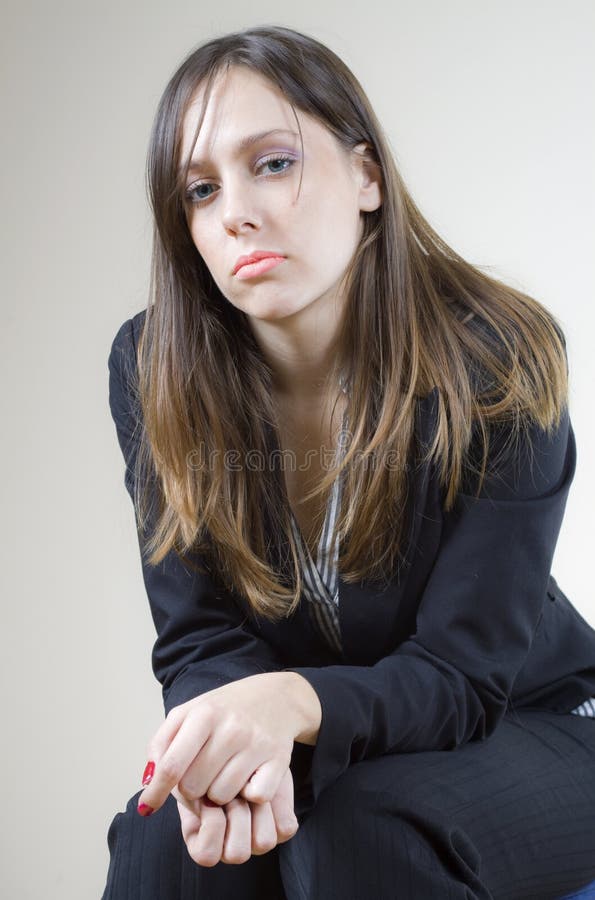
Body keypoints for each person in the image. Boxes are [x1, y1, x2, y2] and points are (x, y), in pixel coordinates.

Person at [101, 24, 595, 900]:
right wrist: (225, 742)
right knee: (167, 843)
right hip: (344, 735)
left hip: (537, 719)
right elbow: (199, 636)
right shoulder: (154, 369)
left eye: (273, 164)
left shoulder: (496, 360)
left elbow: (461, 675)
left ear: (366, 176)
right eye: (201, 190)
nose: (235, 212)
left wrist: (290, 704)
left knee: (361, 830)